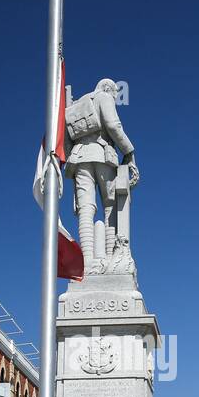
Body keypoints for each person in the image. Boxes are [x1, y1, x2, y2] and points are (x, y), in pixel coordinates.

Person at [63, 78, 138, 263]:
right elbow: (113, 125)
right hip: (102, 154)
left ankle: (87, 261)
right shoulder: (104, 97)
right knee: (110, 204)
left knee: (85, 209)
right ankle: (110, 257)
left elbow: (66, 139)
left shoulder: (76, 104)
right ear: (109, 89)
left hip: (79, 158)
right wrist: (129, 151)